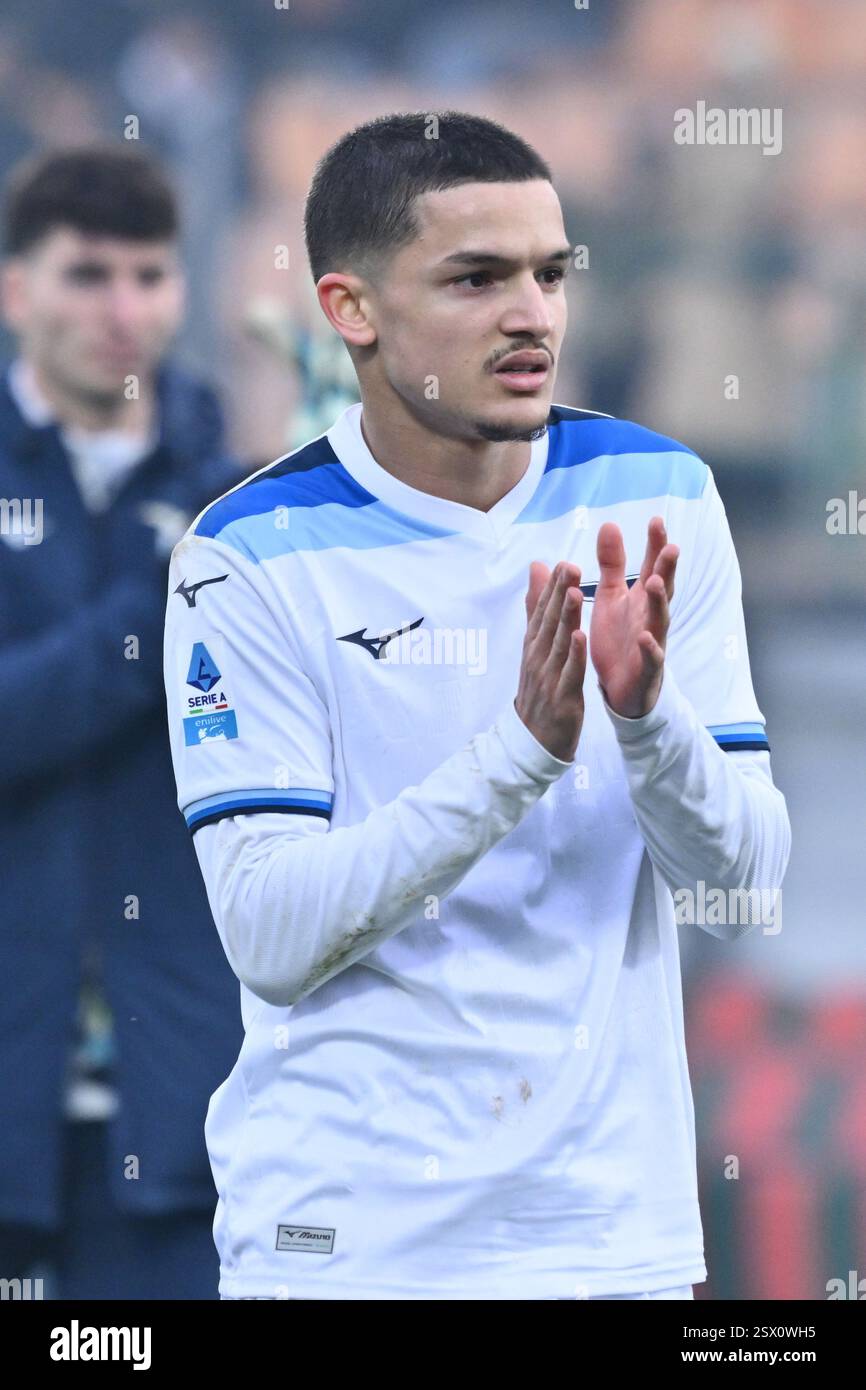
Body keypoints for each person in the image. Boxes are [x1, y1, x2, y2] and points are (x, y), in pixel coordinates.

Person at [163, 111, 791, 1301]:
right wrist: (519, 752)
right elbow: (273, 938)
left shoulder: (659, 497)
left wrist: (648, 724)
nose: (532, 315)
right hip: (353, 1248)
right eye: (476, 278)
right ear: (350, 309)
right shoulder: (242, 557)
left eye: (550, 273)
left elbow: (746, 882)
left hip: (609, 1238)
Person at [0, 144, 244, 1298]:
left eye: (150, 276)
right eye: (88, 275)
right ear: (15, 288)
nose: (123, 310)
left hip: (186, 1114)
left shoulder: (242, 501)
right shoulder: (210, 542)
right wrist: (169, 602)